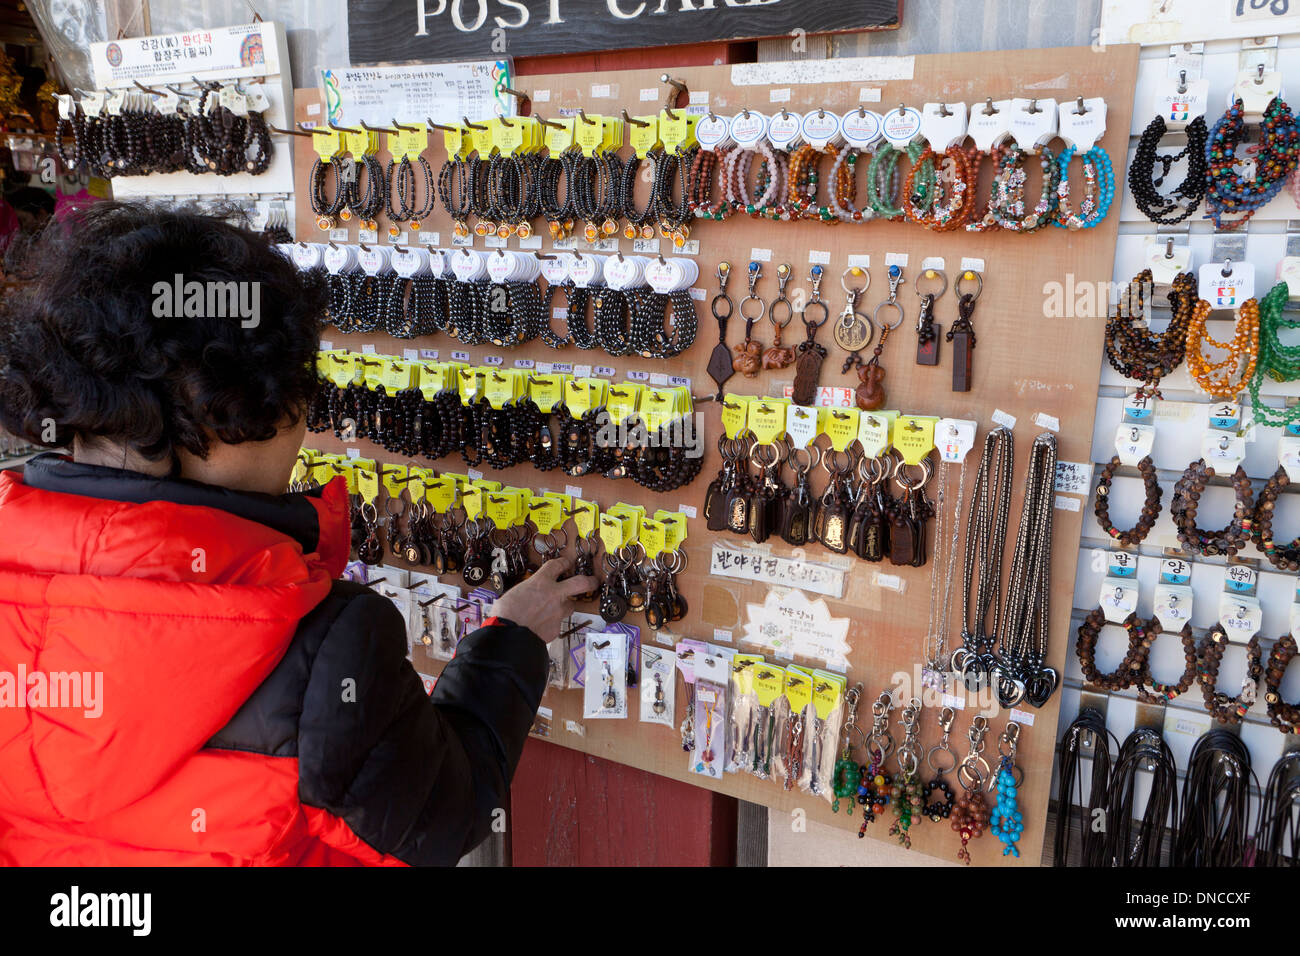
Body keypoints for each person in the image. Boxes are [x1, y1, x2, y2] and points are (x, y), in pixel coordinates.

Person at [0, 202, 595, 866]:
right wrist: (508, 643)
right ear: (223, 414)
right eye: (296, 399)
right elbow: (442, 818)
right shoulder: (317, 649)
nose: (303, 428)